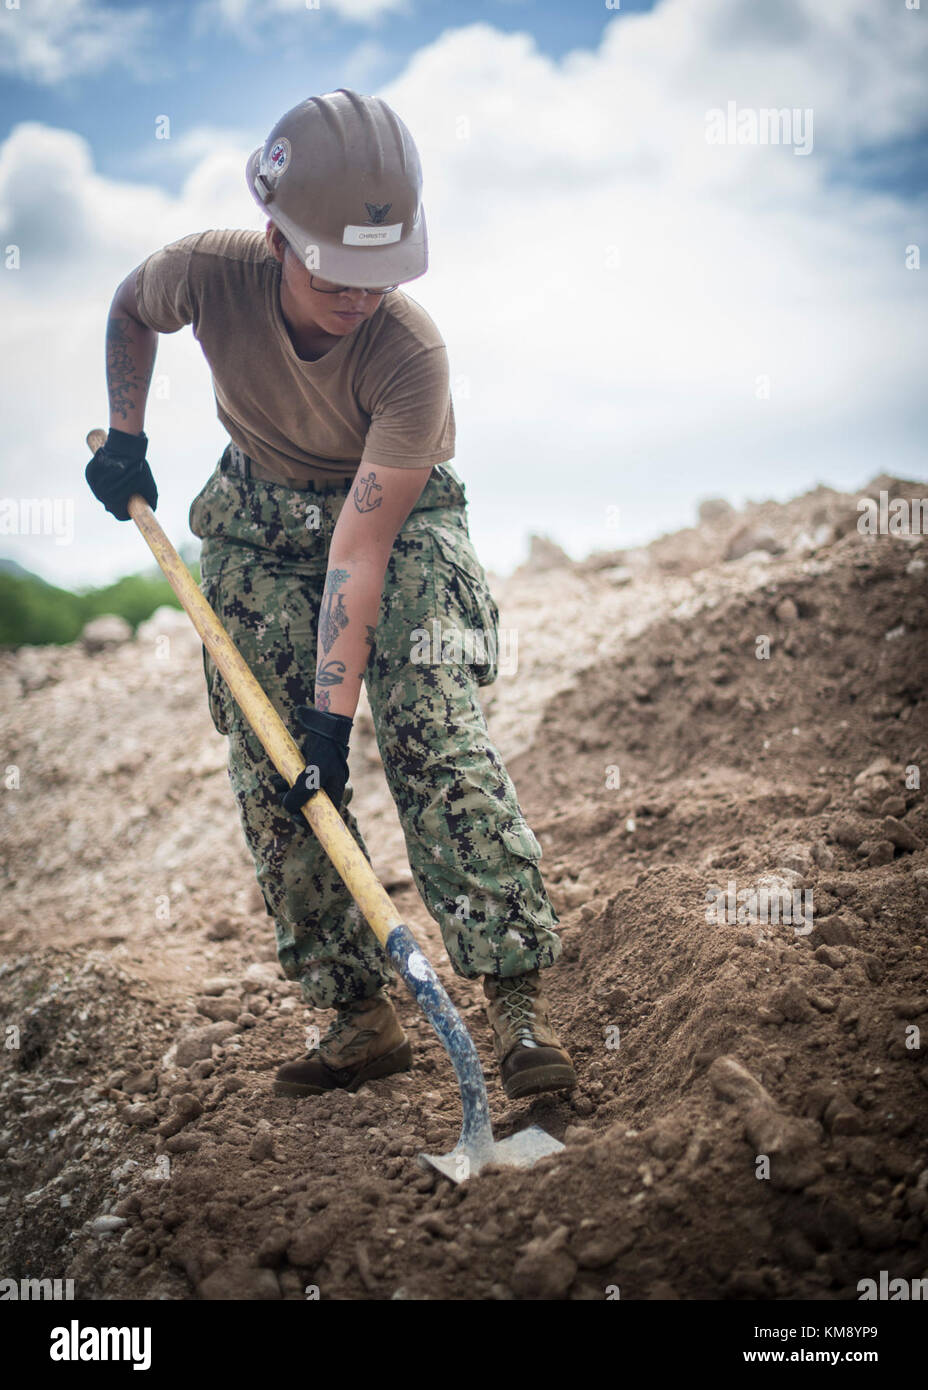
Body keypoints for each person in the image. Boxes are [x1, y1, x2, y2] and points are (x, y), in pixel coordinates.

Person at [86, 88, 577, 1102]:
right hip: (261, 514)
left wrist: (330, 716)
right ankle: (357, 1016)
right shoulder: (208, 271)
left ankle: (519, 1012)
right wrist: (126, 433)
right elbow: (131, 307)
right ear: (276, 238)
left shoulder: (411, 354)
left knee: (434, 733)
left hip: (394, 518)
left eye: (381, 277)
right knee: (271, 765)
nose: (361, 299)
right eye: (338, 275)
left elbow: (361, 543)